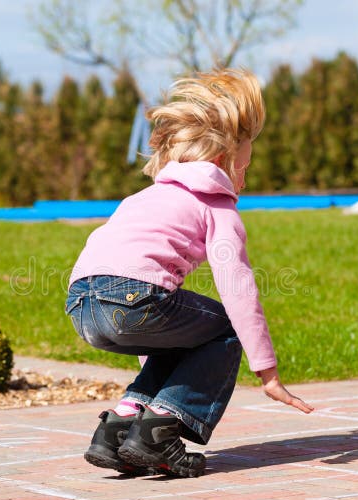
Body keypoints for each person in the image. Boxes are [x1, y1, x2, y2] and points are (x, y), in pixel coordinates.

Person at [65, 68, 314, 478]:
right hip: (134, 297)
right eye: (244, 169)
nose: (244, 181)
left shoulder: (144, 196)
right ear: (222, 161)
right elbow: (237, 287)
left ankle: (118, 430)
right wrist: (267, 371)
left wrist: (156, 360)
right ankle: (159, 432)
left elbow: (145, 318)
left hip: (80, 302)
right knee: (225, 329)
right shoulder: (216, 207)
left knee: (191, 331)